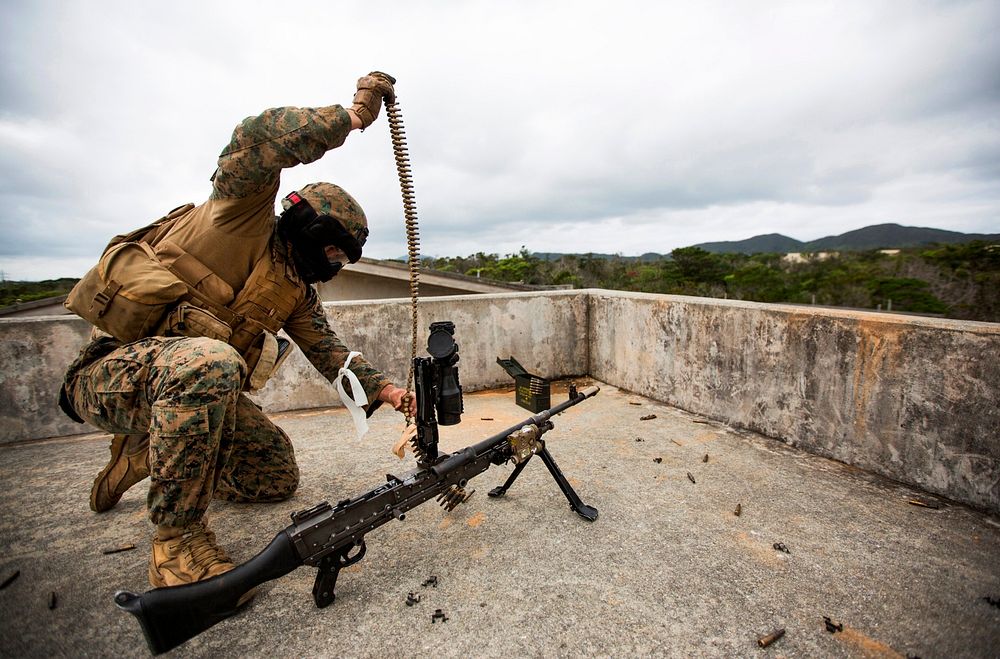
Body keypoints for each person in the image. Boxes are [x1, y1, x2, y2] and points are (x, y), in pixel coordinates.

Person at [60, 71, 414, 594]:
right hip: (109, 375)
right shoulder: (237, 214)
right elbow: (258, 135)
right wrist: (355, 116)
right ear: (314, 231)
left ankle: (148, 452)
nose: (335, 264)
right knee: (211, 362)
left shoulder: (294, 288)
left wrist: (388, 391)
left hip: (190, 388)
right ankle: (177, 544)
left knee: (273, 476)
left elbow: (332, 354)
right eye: (335, 252)